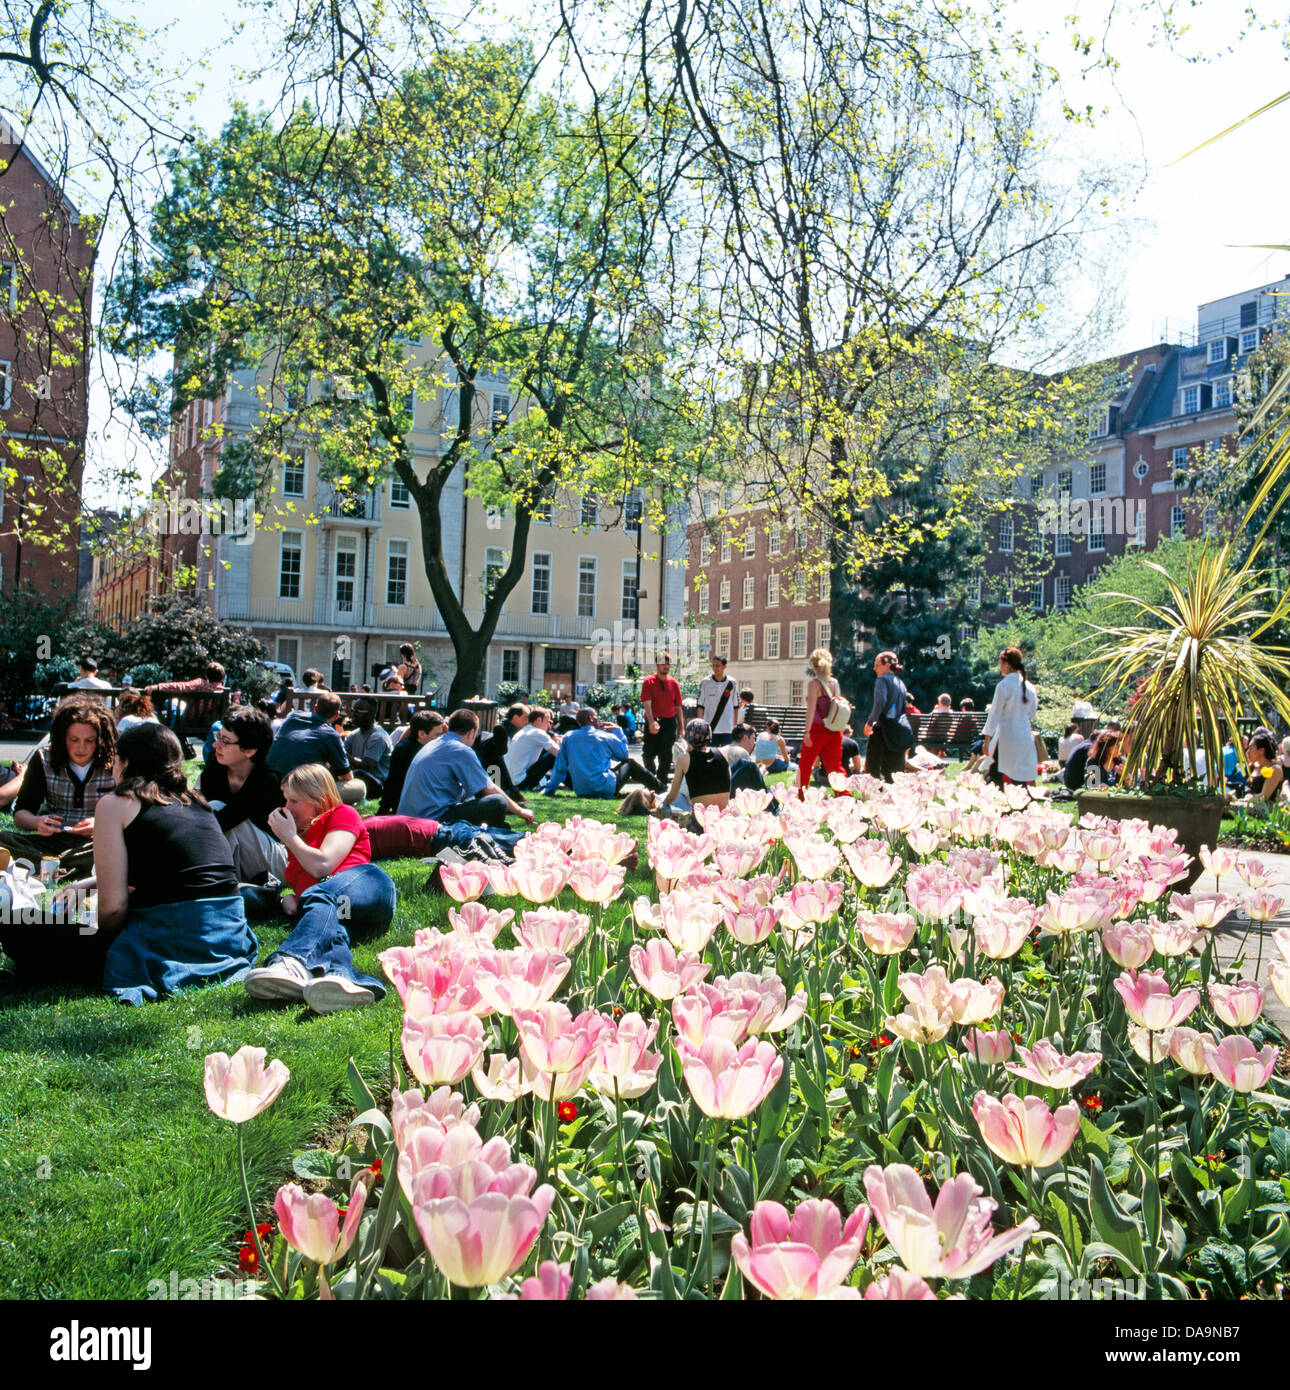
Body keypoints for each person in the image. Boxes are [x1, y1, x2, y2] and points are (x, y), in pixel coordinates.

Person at [84, 723, 259, 1005]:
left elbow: (112, 909)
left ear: (126, 762)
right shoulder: (195, 801)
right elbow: (176, 871)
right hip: (227, 931)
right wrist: (87, 884)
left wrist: (91, 925)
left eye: (114, 761)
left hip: (172, 930)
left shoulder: (115, 803)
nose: (111, 769)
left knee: (41, 936)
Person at [241, 764, 394, 1013]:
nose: (286, 807)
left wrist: (289, 837)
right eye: (285, 800)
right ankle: (342, 980)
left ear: (318, 800)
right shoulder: (300, 839)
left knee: (321, 895)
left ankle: (293, 961)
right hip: (343, 912)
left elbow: (323, 865)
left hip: (368, 886)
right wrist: (288, 899)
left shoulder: (342, 814)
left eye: (294, 800)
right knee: (334, 928)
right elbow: (313, 890)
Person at [0, 695, 117, 878]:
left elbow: (132, 811)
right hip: (52, 840)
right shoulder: (44, 759)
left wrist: (102, 823)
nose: (81, 748)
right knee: (3, 839)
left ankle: (50, 865)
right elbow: (21, 814)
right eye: (74, 739)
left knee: (123, 846)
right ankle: (65, 865)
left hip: (97, 842)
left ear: (101, 739)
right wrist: (37, 822)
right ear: (62, 737)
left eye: (89, 740)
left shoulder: (115, 762)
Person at [398, 708, 534, 827]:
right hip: (432, 820)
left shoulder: (435, 744)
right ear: (471, 732)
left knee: (469, 795)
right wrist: (520, 811)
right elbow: (489, 790)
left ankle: (497, 829)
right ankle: (496, 831)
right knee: (497, 802)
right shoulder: (461, 750)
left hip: (409, 818)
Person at [200, 705, 289, 883]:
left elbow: (227, 819)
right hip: (235, 851)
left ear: (250, 750)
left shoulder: (266, 780)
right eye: (219, 737)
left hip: (272, 857)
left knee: (216, 810)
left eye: (225, 741)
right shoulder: (214, 770)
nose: (215, 744)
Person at [266, 693, 366, 804]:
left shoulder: (292, 717)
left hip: (269, 783)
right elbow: (346, 776)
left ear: (315, 708)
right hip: (297, 792)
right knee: (359, 787)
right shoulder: (331, 735)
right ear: (336, 715)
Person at [541, 708, 663, 798]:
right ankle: (661, 790)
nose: (598, 719)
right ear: (590, 718)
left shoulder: (568, 737)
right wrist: (619, 732)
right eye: (596, 716)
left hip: (581, 789)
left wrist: (550, 789)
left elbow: (560, 767)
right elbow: (624, 755)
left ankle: (661, 789)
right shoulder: (605, 737)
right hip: (605, 788)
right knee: (630, 763)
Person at [981, 647, 1040, 787]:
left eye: (1001, 663)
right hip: (1024, 735)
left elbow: (994, 714)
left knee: (997, 774)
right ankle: (1021, 804)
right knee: (1019, 777)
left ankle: (1005, 805)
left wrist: (987, 739)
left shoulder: (1004, 686)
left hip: (1006, 737)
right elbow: (1032, 713)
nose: (1000, 667)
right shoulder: (1029, 687)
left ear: (1007, 664)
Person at [661, 719, 731, 823]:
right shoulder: (723, 753)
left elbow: (673, 796)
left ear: (689, 736)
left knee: (664, 809)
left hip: (700, 821)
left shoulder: (684, 759)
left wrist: (663, 803)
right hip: (724, 819)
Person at [378, 709, 445, 815]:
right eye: (437, 735)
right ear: (422, 734)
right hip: (413, 808)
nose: (440, 739)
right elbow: (393, 782)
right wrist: (383, 810)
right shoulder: (409, 751)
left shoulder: (413, 745)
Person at [860, 650, 910, 785]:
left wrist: (870, 722)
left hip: (882, 729)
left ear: (887, 665)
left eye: (877, 665)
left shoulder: (881, 680)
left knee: (872, 769)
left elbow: (880, 701)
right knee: (894, 772)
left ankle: (873, 798)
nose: (874, 668)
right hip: (897, 732)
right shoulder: (900, 683)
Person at [641, 652, 683, 784]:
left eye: (668, 663)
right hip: (654, 720)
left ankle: (661, 780)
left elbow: (678, 707)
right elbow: (647, 704)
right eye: (663, 663)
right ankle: (651, 777)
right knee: (648, 753)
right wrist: (651, 722)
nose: (666, 666)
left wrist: (681, 728)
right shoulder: (649, 681)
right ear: (657, 664)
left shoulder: (674, 683)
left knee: (666, 754)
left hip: (669, 722)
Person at [475, 703, 529, 794]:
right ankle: (491, 741)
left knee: (485, 740)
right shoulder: (510, 732)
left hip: (489, 763)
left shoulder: (503, 728)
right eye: (525, 718)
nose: (527, 722)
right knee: (491, 746)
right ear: (515, 718)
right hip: (493, 767)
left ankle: (490, 741)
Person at [504, 706, 561, 792]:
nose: (549, 726)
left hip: (512, 781)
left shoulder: (524, 731)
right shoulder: (538, 732)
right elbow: (559, 753)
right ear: (538, 720)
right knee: (553, 756)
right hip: (521, 782)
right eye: (548, 722)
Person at [345, 700, 393, 801]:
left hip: (377, 783)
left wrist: (342, 754)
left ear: (371, 715)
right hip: (358, 779)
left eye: (357, 711)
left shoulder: (378, 737)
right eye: (352, 710)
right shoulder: (352, 735)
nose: (353, 714)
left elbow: (367, 766)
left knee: (358, 773)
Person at [698, 654, 738, 747]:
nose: (715, 668)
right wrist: (700, 723)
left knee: (726, 756)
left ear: (725, 666)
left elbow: (735, 705)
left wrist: (734, 725)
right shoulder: (705, 682)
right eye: (713, 665)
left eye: (718, 665)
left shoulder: (732, 682)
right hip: (710, 727)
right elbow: (700, 704)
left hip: (727, 728)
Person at [722, 723, 772, 798]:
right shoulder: (742, 752)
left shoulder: (723, 749)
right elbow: (753, 779)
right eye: (753, 738)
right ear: (745, 738)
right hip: (732, 795)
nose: (755, 743)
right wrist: (761, 772)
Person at [1238, 732, 1284, 813]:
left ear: (1261, 751)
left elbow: (1264, 796)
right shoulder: (1252, 767)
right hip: (1249, 804)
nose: (1247, 752)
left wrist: (1246, 800)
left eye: (1251, 748)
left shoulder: (1274, 769)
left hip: (1264, 809)